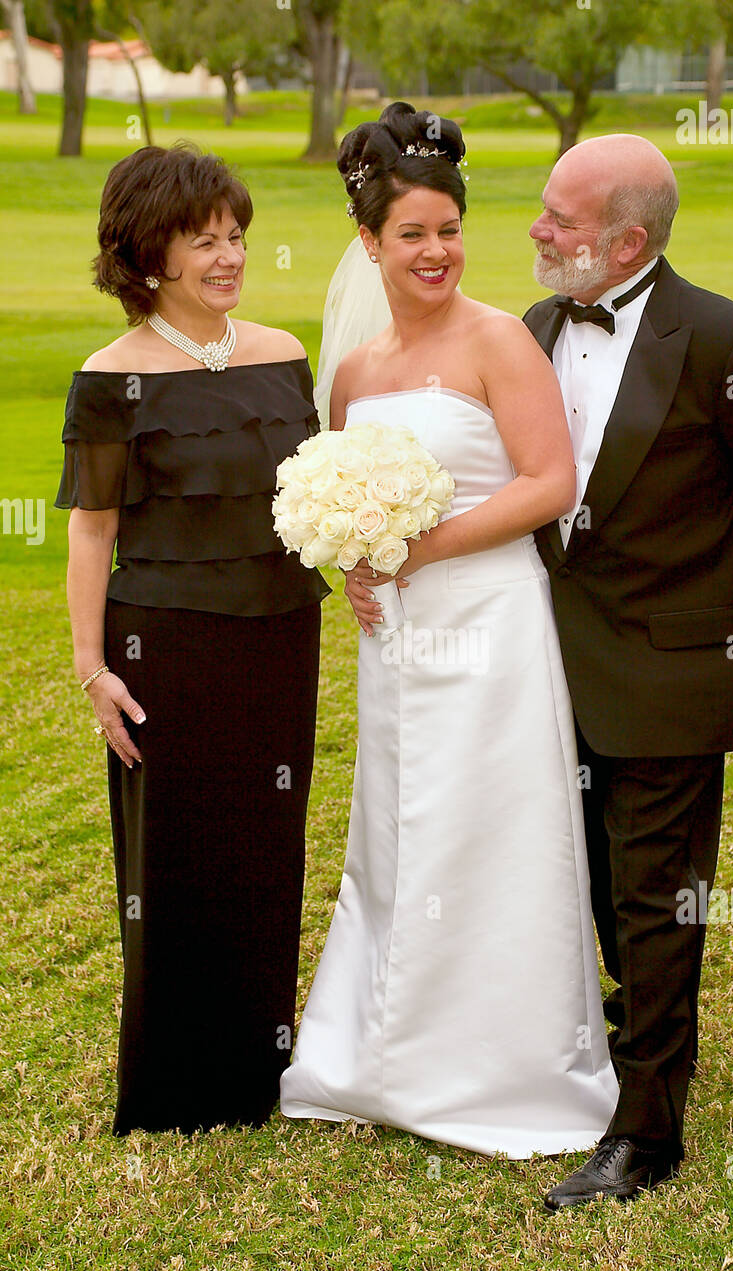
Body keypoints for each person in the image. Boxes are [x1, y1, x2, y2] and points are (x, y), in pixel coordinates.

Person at [280, 103, 619, 1158]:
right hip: (398, 643)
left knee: (490, 823)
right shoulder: (354, 373)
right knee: (396, 824)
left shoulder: (498, 340)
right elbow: (342, 502)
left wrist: (424, 550)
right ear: (370, 244)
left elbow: (549, 483)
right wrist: (354, 570)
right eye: (412, 234)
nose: (436, 252)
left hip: (490, 626)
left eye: (449, 230)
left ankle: (504, 1059)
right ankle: (387, 1051)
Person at [517, 134, 733, 1205]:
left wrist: (710, 588)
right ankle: (635, 1031)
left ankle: (646, 1134)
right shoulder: (532, 327)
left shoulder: (726, 339)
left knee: (657, 896)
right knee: (591, 883)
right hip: (542, 667)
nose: (536, 230)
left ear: (624, 240)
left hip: (670, 669)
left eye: (558, 219)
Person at [57, 143, 329, 1136]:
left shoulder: (281, 352)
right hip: (161, 644)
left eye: (236, 237)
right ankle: (174, 1090)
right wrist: (91, 668)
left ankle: (261, 1074)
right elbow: (91, 530)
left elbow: (312, 493)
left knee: (265, 849)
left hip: (278, 633)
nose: (228, 256)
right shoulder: (111, 376)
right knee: (174, 860)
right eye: (202, 240)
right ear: (147, 253)